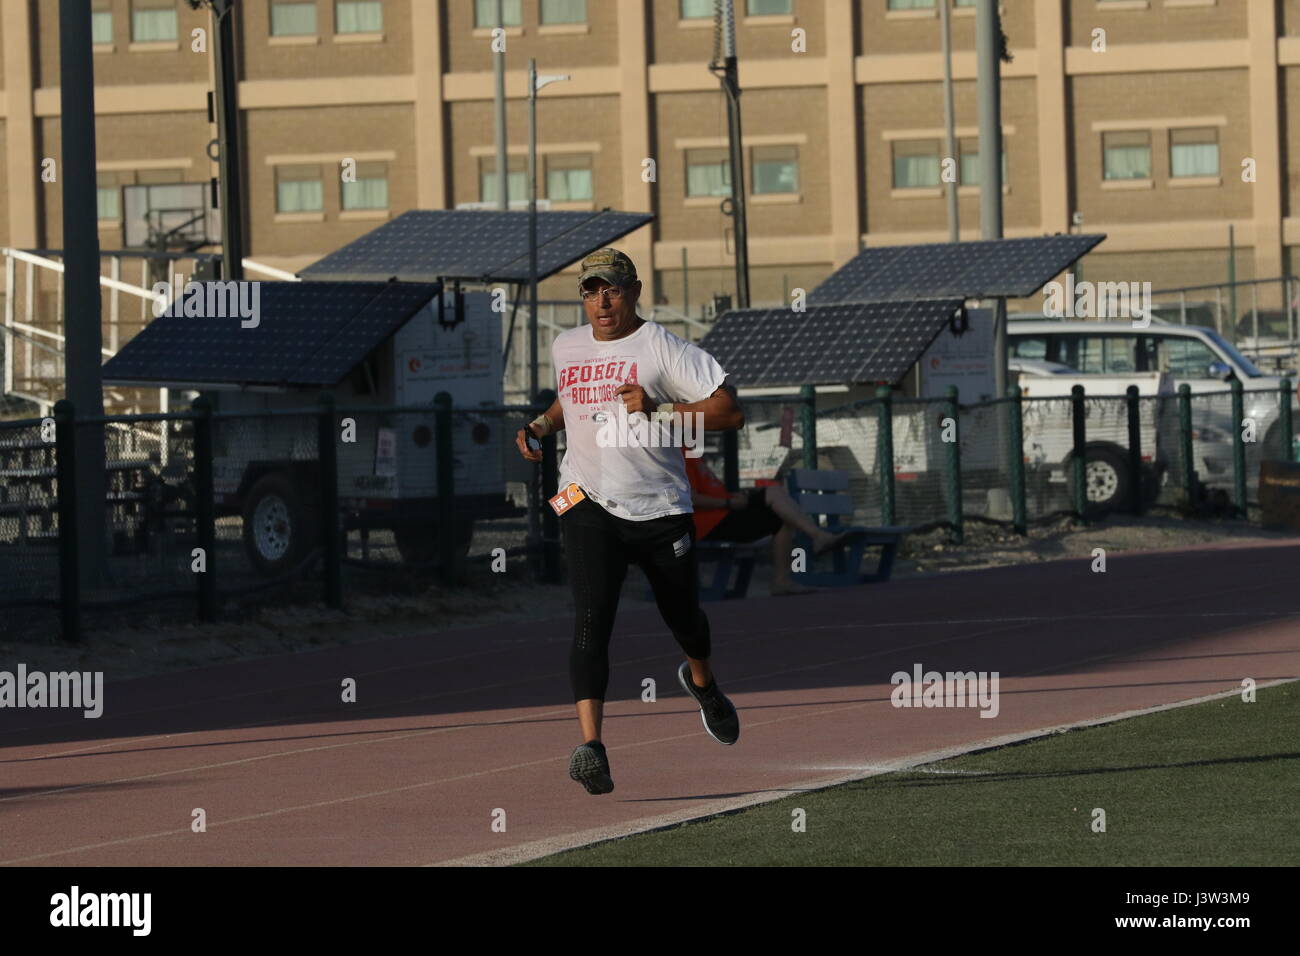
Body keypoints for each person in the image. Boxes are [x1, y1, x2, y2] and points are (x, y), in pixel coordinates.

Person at [514, 248, 746, 796]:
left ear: (634, 290)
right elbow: (570, 396)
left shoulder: (660, 347)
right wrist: (541, 426)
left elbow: (729, 411)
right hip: (586, 499)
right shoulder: (565, 345)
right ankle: (591, 747)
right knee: (592, 620)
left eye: (612, 289)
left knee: (684, 617)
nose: (602, 301)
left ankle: (703, 683)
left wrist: (660, 410)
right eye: (591, 291)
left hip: (659, 507)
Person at [683, 453, 851, 596]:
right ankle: (816, 537)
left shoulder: (690, 452)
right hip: (708, 524)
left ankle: (783, 579)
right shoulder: (676, 453)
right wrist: (728, 502)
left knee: (779, 510)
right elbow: (689, 497)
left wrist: (735, 497)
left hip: (724, 512)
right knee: (776, 501)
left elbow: (711, 491)